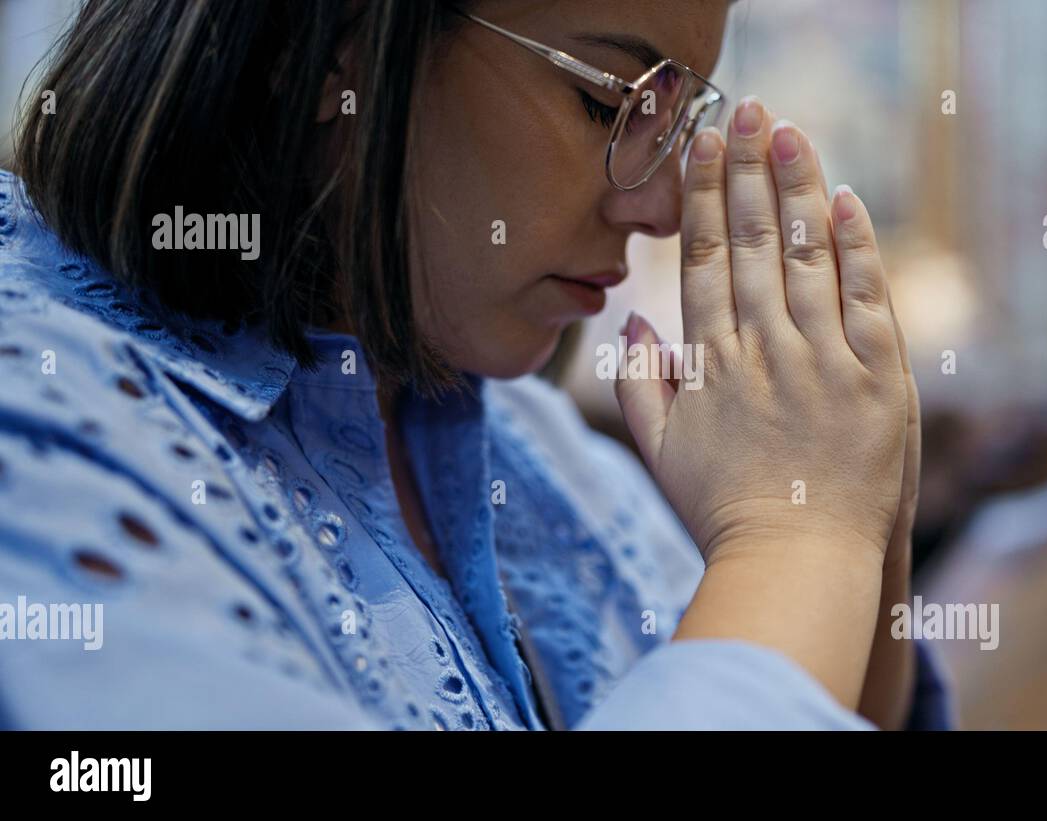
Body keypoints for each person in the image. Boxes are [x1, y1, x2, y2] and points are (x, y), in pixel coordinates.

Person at [0, 0, 950, 730]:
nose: (661, 203)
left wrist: (865, 526)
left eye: (677, 115)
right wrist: (796, 539)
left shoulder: (532, 449)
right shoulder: (39, 425)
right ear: (330, 43)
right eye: (608, 101)